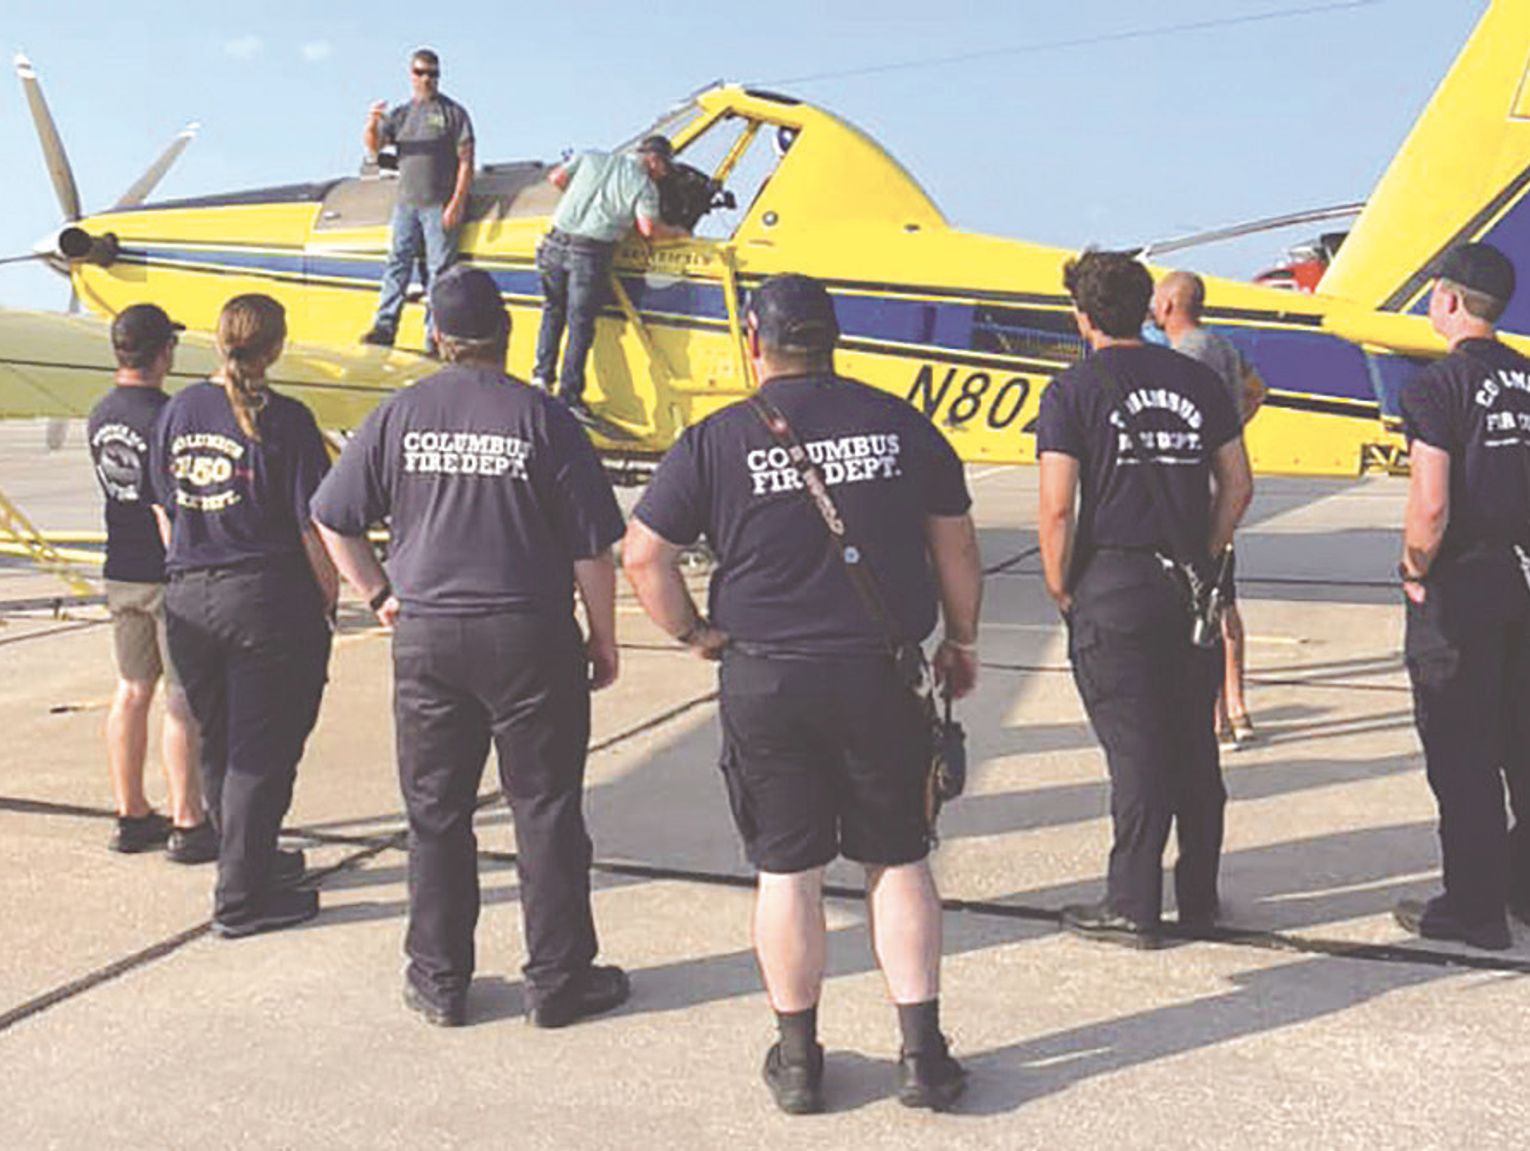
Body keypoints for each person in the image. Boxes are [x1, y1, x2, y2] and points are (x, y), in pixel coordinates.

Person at [623, 273, 982, 1114]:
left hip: (768, 675)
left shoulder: (715, 438)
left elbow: (644, 555)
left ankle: (796, 1060)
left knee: (787, 870)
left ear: (755, 338)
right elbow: (956, 549)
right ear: (834, 338)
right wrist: (961, 641)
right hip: (880, 673)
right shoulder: (900, 424)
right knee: (898, 857)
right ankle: (923, 1056)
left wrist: (692, 634)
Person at [312, 266, 629, 1029]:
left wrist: (380, 595)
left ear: (436, 338)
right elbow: (593, 546)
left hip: (428, 635)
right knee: (546, 809)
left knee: (435, 812)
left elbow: (332, 517)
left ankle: (440, 978)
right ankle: (557, 979)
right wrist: (604, 635)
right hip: (528, 632)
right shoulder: (544, 417)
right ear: (507, 335)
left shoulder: (397, 415)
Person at [1038, 250, 1252, 948]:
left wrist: (1061, 583)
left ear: (1083, 314)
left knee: (1135, 749)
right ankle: (1198, 894)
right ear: (1145, 308)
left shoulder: (1072, 390)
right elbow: (1238, 484)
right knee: (1194, 740)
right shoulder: (1197, 380)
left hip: (1114, 582)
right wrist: (1209, 552)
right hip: (1185, 580)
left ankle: (1132, 901)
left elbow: (1058, 507)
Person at [152, 294, 337, 938]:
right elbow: (313, 524)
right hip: (262, 594)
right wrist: (331, 593)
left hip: (188, 593)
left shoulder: (178, 411)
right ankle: (240, 900)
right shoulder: (286, 420)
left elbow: (166, 508)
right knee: (265, 749)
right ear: (277, 347)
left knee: (222, 742)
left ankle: (247, 857)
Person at [1392, 241, 1530, 951]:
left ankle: (1473, 909)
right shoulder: (1527, 376)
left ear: (1448, 301)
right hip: (1521, 580)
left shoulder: (1434, 388)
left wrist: (1415, 567)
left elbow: (1432, 503)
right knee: (1521, 747)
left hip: (1463, 588)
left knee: (1462, 755)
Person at [88, 304, 208, 861]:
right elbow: (170, 502)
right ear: (163, 354)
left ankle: (130, 811)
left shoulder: (100, 413)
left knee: (132, 690)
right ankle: (188, 819)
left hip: (120, 569)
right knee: (181, 699)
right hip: (165, 573)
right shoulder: (169, 415)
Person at [1151, 269, 1267, 750]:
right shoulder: (1222, 347)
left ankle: (1216, 710)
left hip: (1194, 491)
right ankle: (1238, 703)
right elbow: (1258, 389)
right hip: (1227, 483)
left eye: (1157, 299)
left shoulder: (1181, 358)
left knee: (1197, 598)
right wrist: (1232, 431)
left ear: (1172, 305)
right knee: (1227, 596)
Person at [532, 135, 688, 423]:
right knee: (580, 324)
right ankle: (568, 394)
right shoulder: (644, 186)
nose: (665, 173)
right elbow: (648, 228)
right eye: (665, 165)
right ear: (653, 160)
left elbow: (556, 178)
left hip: (553, 244)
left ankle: (540, 379)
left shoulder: (590, 156)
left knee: (553, 311)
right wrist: (678, 232)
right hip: (588, 253)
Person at [360, 47, 475, 350]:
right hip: (407, 203)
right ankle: (385, 326)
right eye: (421, 73)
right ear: (411, 75)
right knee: (397, 262)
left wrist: (457, 202)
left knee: (440, 271)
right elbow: (375, 148)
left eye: (433, 74)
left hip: (438, 204)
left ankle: (435, 335)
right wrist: (372, 123)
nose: (427, 79)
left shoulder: (453, 113)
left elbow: (466, 161)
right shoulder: (400, 115)